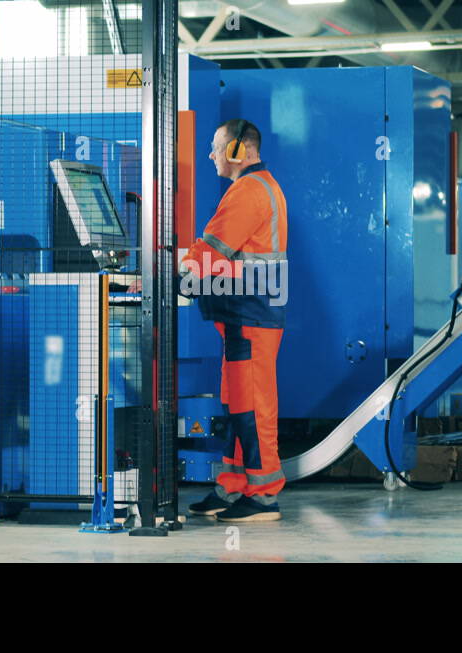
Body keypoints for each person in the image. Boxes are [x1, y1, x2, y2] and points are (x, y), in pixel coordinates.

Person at [183, 119, 288, 522]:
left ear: (235, 150)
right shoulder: (259, 187)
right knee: (238, 404)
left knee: (253, 405)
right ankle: (234, 486)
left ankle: (263, 496)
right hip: (245, 315)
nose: (210, 155)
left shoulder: (248, 192)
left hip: (251, 314)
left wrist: (181, 274)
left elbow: (215, 247)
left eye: (215, 147)